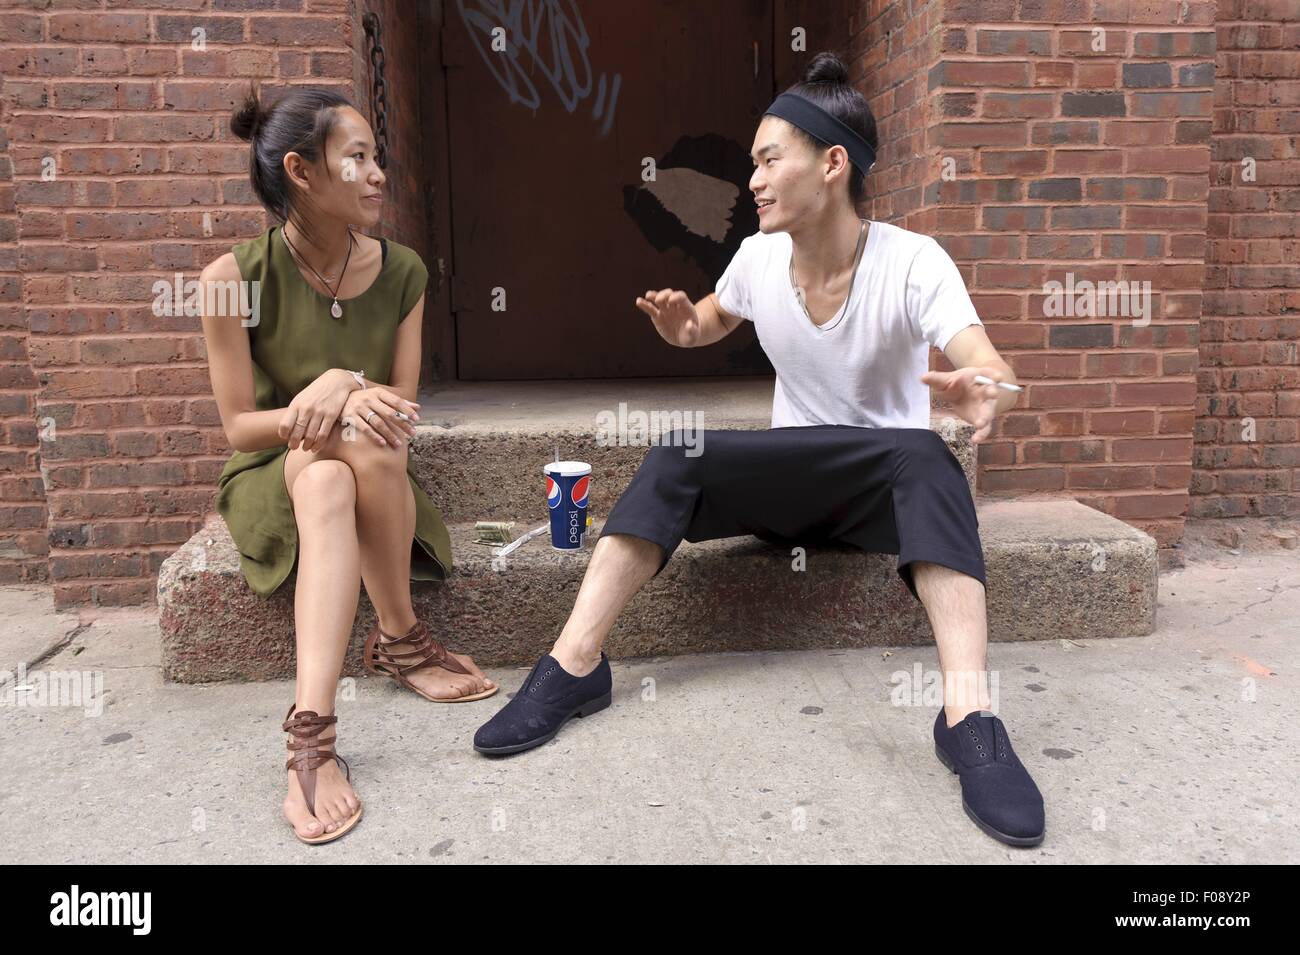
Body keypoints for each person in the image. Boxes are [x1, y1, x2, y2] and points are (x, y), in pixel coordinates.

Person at [473, 53, 1046, 847]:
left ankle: (969, 719)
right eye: (753, 163)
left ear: (833, 162)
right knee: (677, 449)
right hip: (790, 485)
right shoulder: (756, 256)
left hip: (885, 489)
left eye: (771, 158)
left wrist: (987, 387)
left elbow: (987, 361)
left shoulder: (914, 262)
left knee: (922, 452)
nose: (754, 180)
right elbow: (712, 316)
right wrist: (684, 328)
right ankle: (573, 665)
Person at [199, 86, 497, 845]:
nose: (377, 176)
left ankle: (322, 720)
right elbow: (241, 428)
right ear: (301, 172)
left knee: (353, 459)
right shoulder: (231, 281)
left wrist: (349, 383)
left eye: (376, 158)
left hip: (370, 463)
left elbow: (396, 402)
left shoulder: (403, 274)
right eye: (357, 158)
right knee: (328, 466)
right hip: (273, 470)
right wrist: (322, 393)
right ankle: (349, 695)